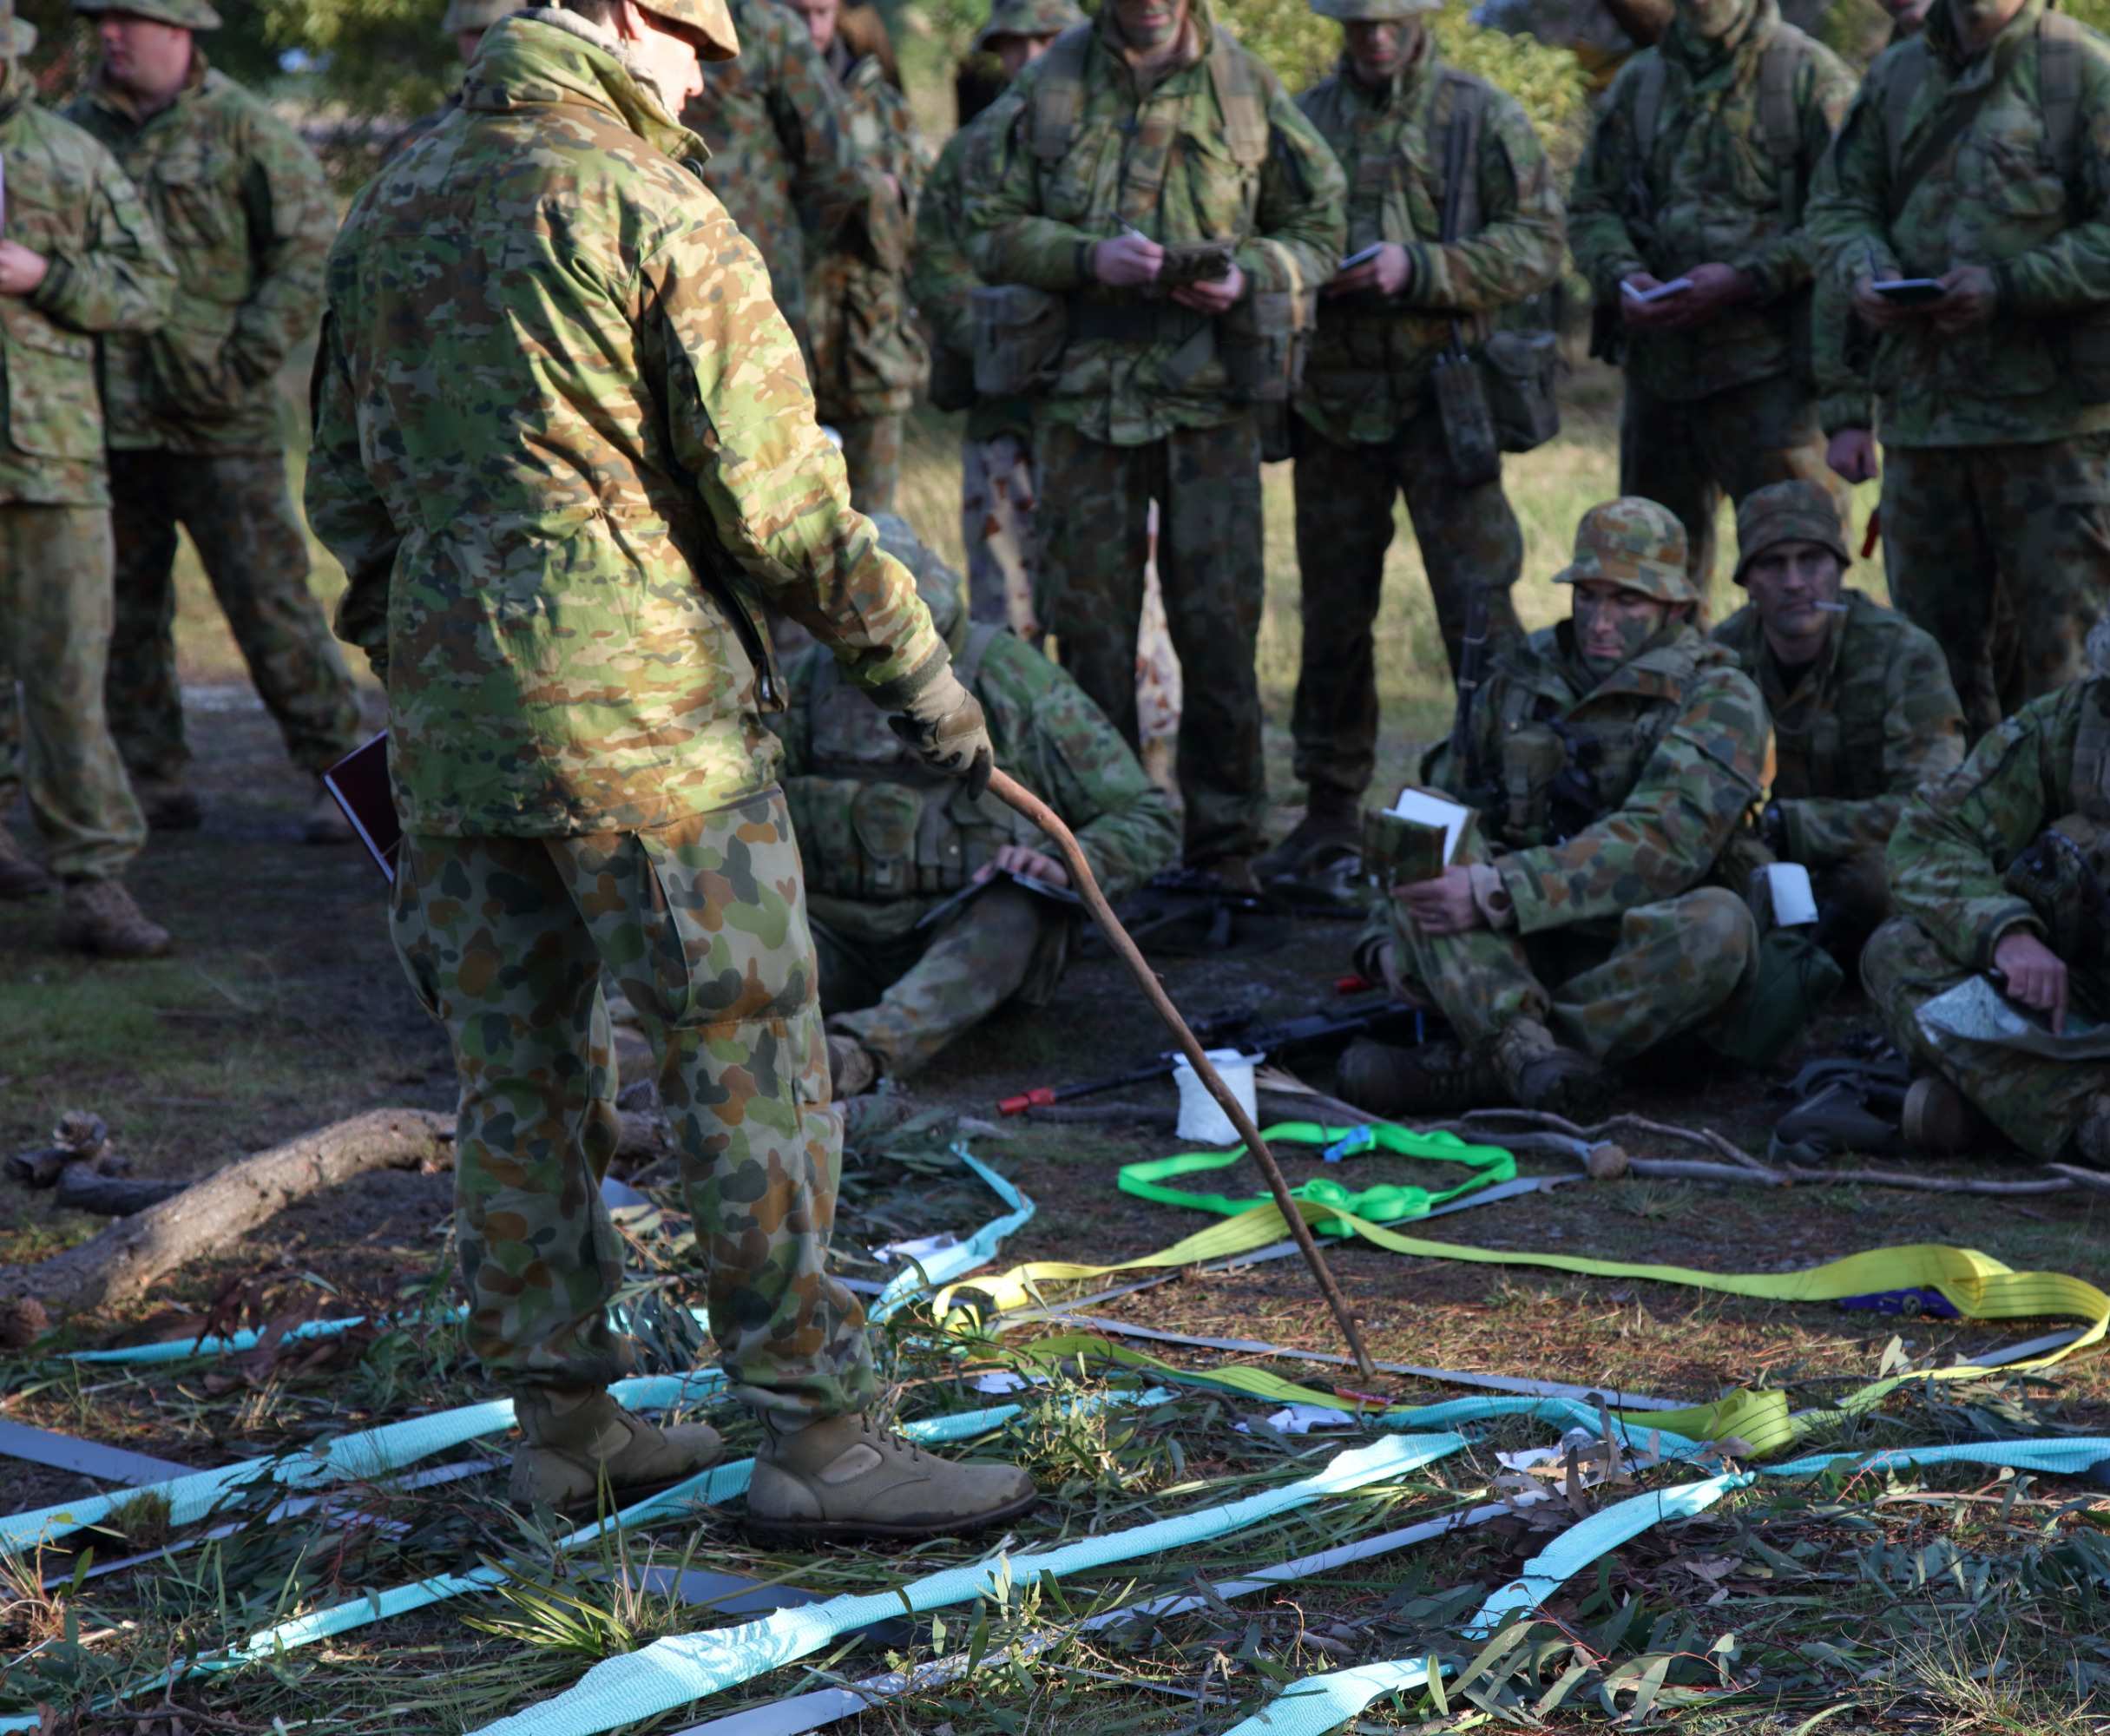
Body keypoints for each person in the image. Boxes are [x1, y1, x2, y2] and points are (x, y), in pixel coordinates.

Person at [307, 0, 1035, 1535]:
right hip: (656, 737)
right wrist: (923, 681)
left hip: (454, 728)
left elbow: (345, 492)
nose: (703, 78)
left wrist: (438, 651)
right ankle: (821, 1445)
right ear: (630, 17)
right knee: (747, 1065)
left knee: (517, 1082)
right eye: (697, 43)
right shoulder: (648, 202)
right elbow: (784, 509)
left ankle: (561, 1436)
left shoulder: (393, 200)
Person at [964, 0, 1346, 890]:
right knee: (1090, 638)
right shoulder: (1048, 81)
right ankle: (1106, 850)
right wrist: (1083, 258)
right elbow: (981, 222)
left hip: (1211, 407)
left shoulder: (1243, 85)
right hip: (1081, 406)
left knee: (1219, 632)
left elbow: (1322, 222)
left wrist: (1254, 276)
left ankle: (1226, 846)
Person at [1337, 498, 1771, 1116]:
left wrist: (1501, 888)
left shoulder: (1719, 696)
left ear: (1674, 608)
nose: (1599, 620)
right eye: (1587, 596)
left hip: (1629, 949)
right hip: (1509, 951)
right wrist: (1382, 938)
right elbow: (1441, 812)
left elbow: (1664, 843)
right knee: (1426, 811)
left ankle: (1479, 1069)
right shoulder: (1520, 676)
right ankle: (1525, 1055)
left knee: (1719, 924)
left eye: (1626, 602)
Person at [1267, 0, 1565, 882]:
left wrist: (1422, 268)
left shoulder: (1478, 114)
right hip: (1332, 405)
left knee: (1480, 612)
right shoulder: (1304, 117)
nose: (1374, 35)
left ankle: (1514, 804)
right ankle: (1327, 809)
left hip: (1448, 400)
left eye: (1389, 17)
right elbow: (1267, 233)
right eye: (1358, 21)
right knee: (1331, 615)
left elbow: (1541, 242)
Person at [66, 0, 361, 844]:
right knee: (121, 613)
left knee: (269, 604)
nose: (109, 36)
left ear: (179, 29)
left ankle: (339, 770)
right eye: (102, 22)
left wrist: (241, 360)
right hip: (105, 420)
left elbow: (308, 251)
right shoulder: (72, 131)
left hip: (219, 425)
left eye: (127, 20)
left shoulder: (244, 128)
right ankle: (151, 780)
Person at [775, 515, 1179, 1095]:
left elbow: (1148, 818)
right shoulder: (811, 678)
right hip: (837, 935)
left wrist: (1064, 860)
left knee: (1017, 909)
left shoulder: (1010, 677)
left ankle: (862, 1056)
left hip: (963, 935)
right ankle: (640, 1033)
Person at [1805, 0, 2110, 741]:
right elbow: (1837, 205)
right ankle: (1951, 846)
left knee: (2064, 670)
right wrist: (1864, 272)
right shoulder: (1898, 72)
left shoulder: (2081, 69)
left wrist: (2009, 284)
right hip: (1923, 422)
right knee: (1930, 672)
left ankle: (2065, 846)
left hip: (2050, 430)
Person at [1568, 0, 1856, 585]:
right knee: (1647, 588)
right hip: (1660, 379)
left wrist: (1747, 278)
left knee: (1795, 588)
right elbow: (1591, 205)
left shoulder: (1807, 75)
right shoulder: (1639, 82)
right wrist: (1622, 274)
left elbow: (1847, 220)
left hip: (1772, 380)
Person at [0, 0, 175, 955]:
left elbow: (150, 289)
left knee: (67, 677)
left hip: (54, 463)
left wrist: (49, 276)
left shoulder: (69, 157)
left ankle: (95, 879)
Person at [1861, 611, 2110, 1167]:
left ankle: (1992, 1108)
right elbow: (1930, 833)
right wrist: (2006, 934)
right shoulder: (2069, 727)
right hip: (2079, 1004)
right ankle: (2084, 1116)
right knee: (1898, 952)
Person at [1712, 480, 1965, 962]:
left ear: (1839, 570)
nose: (1794, 582)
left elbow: (1935, 804)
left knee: (1877, 888)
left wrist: (1800, 825)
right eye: (1772, 563)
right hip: (1757, 857)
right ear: (1746, 580)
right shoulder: (1721, 658)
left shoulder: (1902, 654)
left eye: (1811, 559)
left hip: (1866, 857)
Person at [909, 0, 1079, 635]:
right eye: (1015, 44)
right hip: (1002, 412)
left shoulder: (1111, 138)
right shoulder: (971, 153)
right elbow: (933, 261)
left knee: (1120, 627)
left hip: (1104, 418)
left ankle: (1132, 742)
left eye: (1048, 40)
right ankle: (1011, 737)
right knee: (1004, 616)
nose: (1032, 58)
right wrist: (1000, 338)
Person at [681, 0, 875, 368]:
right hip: (756, 273)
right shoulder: (765, 24)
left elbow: (835, 164)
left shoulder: (624, 16)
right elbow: (837, 161)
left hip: (667, 267)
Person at [785, 0, 925, 510]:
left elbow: (915, 225)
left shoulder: (881, 104)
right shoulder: (758, 100)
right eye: (797, 14)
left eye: (822, 12)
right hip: (783, 351)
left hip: (870, 348)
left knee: (876, 528)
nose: (812, 28)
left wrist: (874, 192)